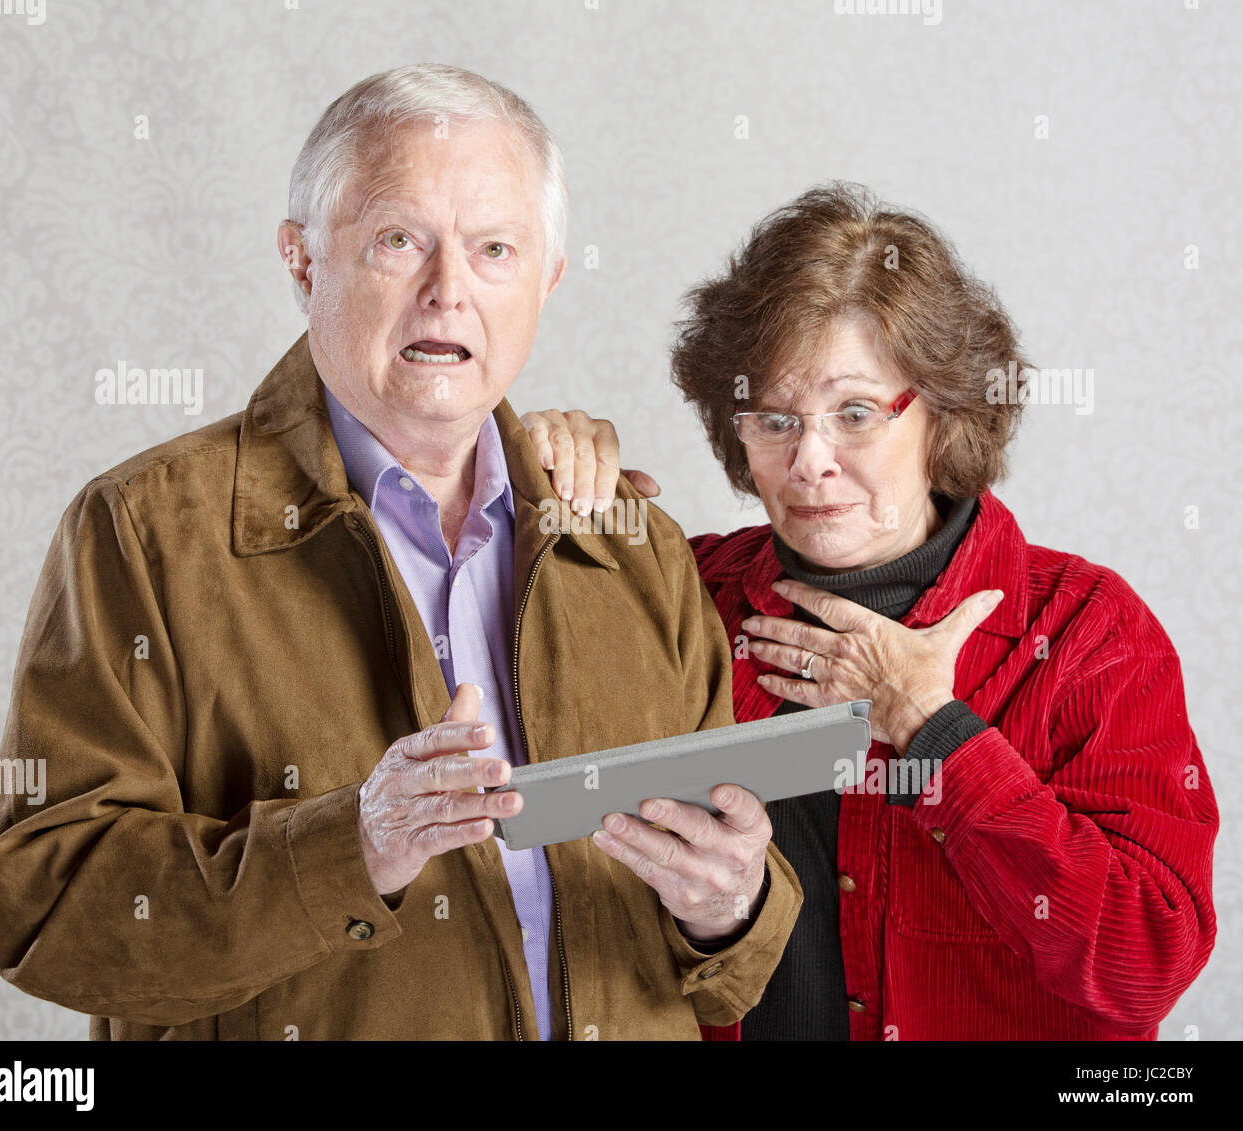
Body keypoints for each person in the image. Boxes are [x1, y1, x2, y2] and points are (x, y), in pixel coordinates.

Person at [0, 64, 803, 1041]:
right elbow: (46, 914)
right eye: (398, 241)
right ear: (302, 258)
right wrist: (350, 845)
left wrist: (730, 908)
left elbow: (724, 980)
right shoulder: (146, 533)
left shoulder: (632, 545)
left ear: (546, 281)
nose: (448, 293)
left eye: (494, 250)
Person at [521, 182, 1218, 1040]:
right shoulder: (685, 592)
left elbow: (1142, 964)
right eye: (775, 418)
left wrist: (934, 732)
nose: (810, 460)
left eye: (855, 413)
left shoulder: (1089, 634)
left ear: (943, 410)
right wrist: (539, 484)